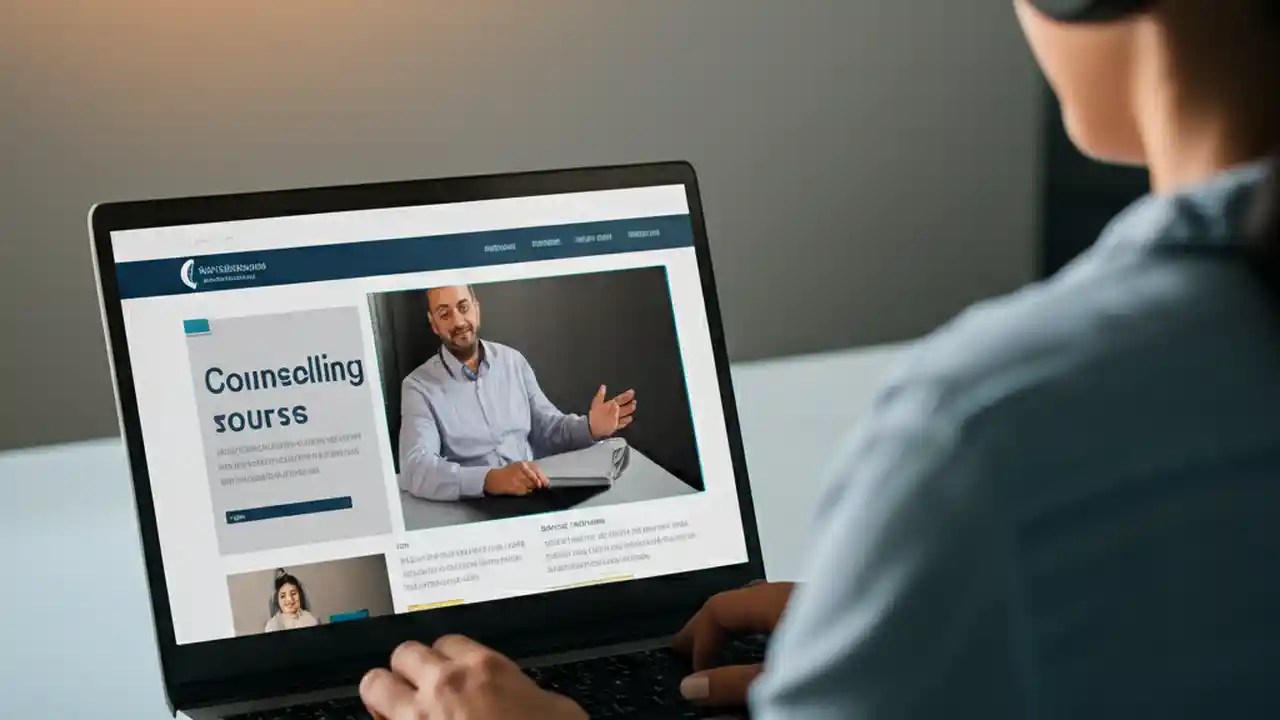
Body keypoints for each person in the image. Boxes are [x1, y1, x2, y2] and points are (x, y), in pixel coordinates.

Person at [359, 1, 1280, 717]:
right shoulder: (417, 388)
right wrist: (913, 629)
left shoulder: (982, 433)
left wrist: (579, 431)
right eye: (441, 308)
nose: (456, 315)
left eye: (462, 301)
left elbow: (550, 427)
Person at [398, 285, 638, 501]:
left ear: (477, 309)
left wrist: (591, 428)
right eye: (444, 313)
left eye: (463, 307)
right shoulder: (418, 386)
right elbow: (416, 468)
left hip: (536, 492)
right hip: (473, 505)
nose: (459, 321)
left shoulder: (513, 361)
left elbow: (549, 428)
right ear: (433, 323)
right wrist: (488, 479)